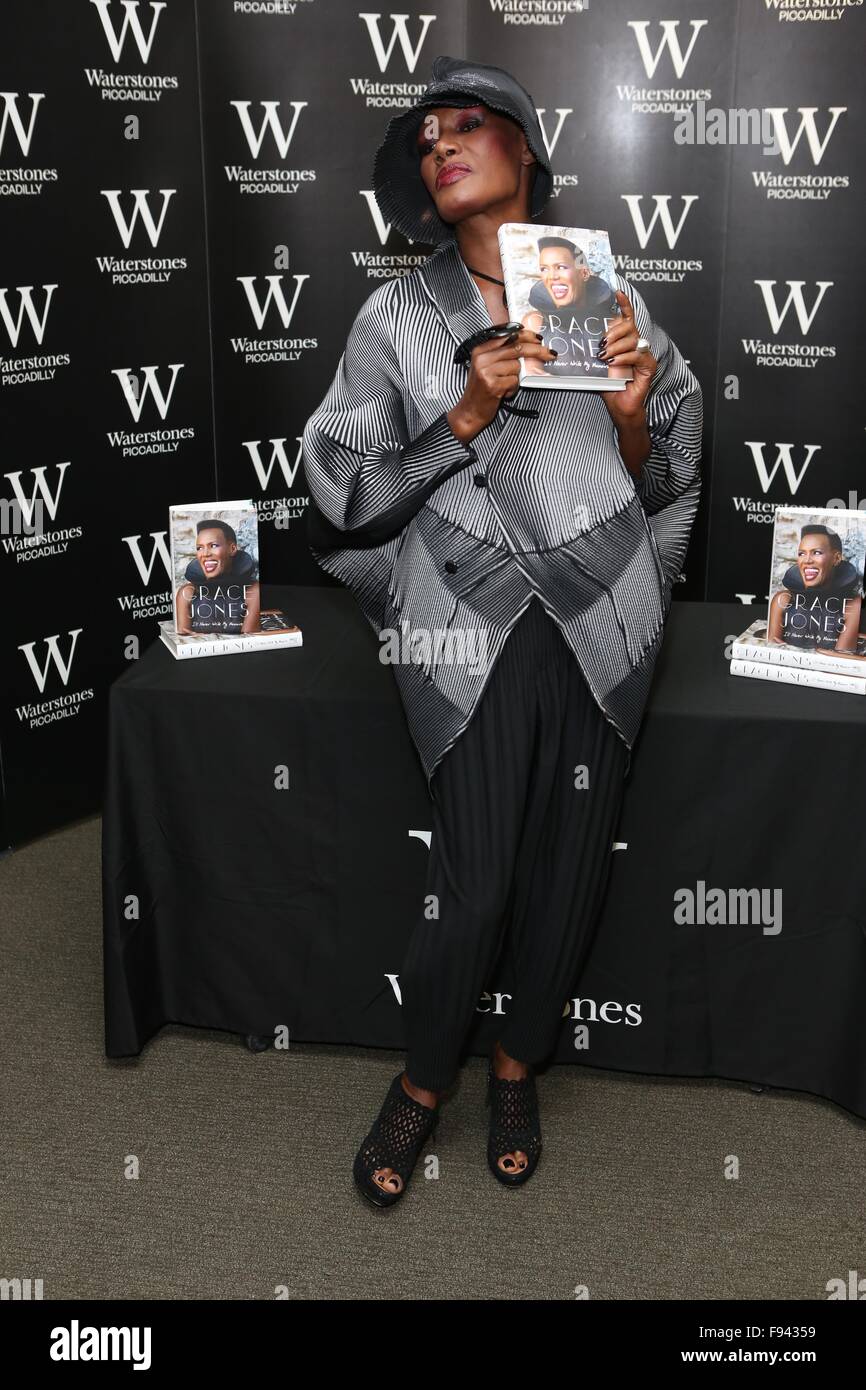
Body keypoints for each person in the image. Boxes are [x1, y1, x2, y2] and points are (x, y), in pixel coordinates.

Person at [302, 55, 702, 1206]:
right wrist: (462, 415)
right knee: (474, 884)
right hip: (464, 616)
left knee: (569, 870)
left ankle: (519, 1058)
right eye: (425, 139)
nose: (441, 144)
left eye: (467, 125)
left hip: (600, 604)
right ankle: (428, 1075)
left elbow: (661, 469)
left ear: (528, 152)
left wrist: (628, 419)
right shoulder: (394, 315)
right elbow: (348, 497)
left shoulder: (604, 299)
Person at [520, 235, 619, 381]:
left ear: (584, 273)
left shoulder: (614, 324)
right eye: (544, 269)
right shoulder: (534, 323)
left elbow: (619, 385)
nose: (552, 277)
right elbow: (534, 377)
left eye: (561, 267)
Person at [767, 523, 862, 654]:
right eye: (801, 553)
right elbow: (772, 652)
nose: (807, 560)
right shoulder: (782, 600)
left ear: (836, 558)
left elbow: (841, 660)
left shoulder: (852, 604)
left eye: (816, 552)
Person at [175, 519, 260, 636]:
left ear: (233, 549)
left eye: (213, 545)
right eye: (199, 548)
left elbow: (249, 640)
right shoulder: (186, 593)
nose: (205, 554)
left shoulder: (253, 590)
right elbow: (184, 641)